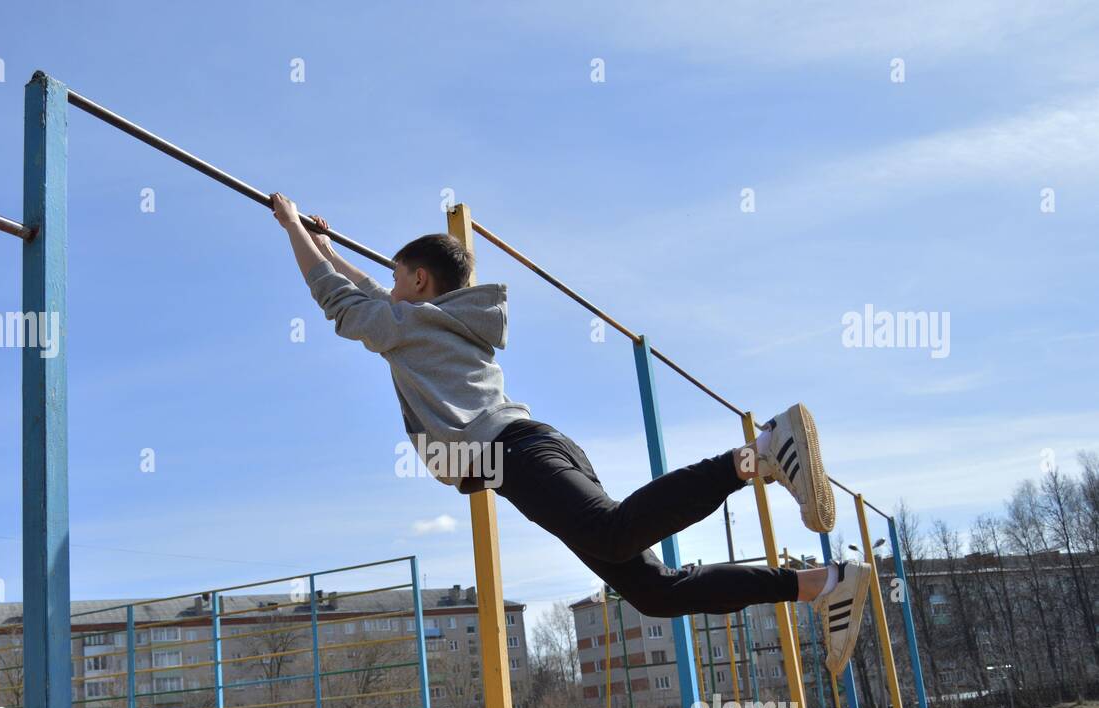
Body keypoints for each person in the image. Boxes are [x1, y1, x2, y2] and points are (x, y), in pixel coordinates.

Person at [270, 195, 870, 675]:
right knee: (653, 593)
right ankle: (824, 583)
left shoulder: (404, 323)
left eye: (397, 277)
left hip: (513, 453)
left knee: (612, 535)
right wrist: (326, 246)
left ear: (421, 281)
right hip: (534, 447)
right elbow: (370, 295)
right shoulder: (429, 319)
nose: (387, 286)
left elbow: (340, 302)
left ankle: (761, 453)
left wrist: (293, 227)